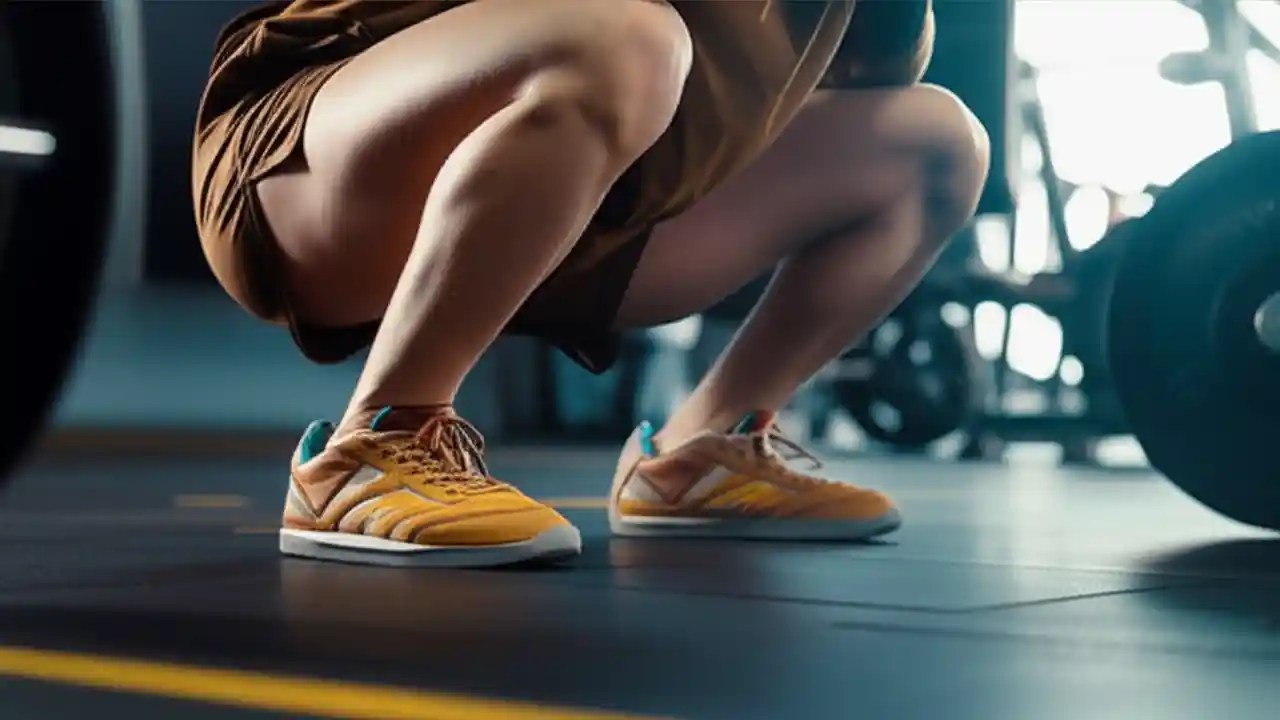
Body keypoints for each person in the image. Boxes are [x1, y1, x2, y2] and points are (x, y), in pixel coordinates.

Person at [192, 0, 989, 567]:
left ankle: (698, 455)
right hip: (311, 158)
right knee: (628, 37)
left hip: (583, 204)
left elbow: (876, 70)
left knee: (934, 143)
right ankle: (377, 442)